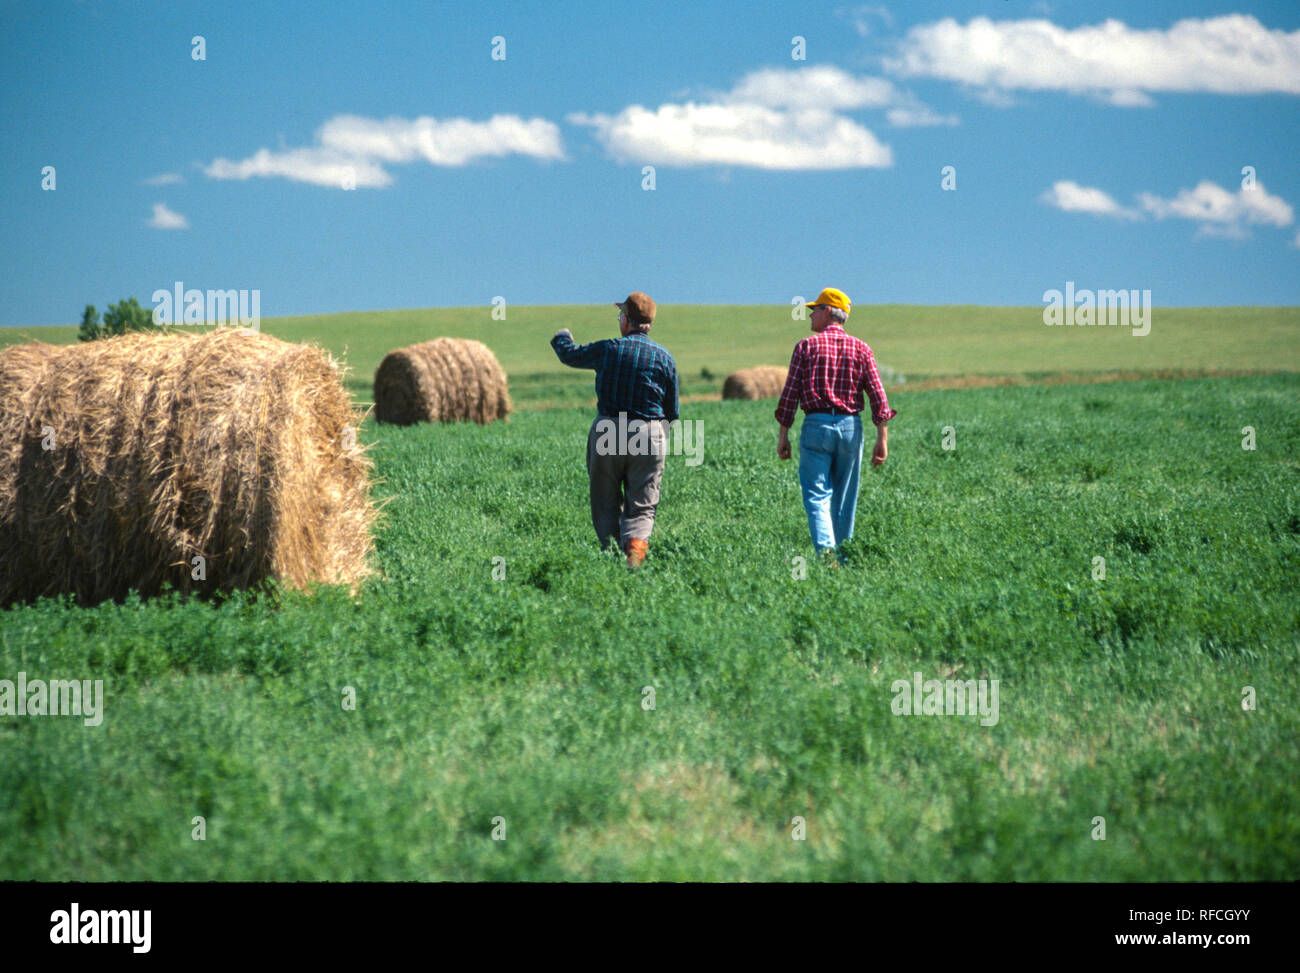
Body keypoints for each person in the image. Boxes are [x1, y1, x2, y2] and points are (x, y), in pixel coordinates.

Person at [552, 292, 679, 571]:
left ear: (626, 321)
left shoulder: (609, 349)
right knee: (643, 503)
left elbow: (570, 355)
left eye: (620, 315)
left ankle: (609, 557)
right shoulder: (665, 358)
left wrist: (562, 337)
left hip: (609, 429)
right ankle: (634, 559)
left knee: (605, 499)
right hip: (649, 432)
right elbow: (672, 412)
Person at [774, 287, 896, 560]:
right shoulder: (862, 348)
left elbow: (790, 394)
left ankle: (827, 556)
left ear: (828, 311)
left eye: (814, 309)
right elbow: (878, 395)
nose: (810, 316)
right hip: (851, 428)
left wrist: (783, 435)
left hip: (816, 427)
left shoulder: (805, 347)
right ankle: (843, 557)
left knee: (817, 496)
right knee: (844, 500)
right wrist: (882, 439)